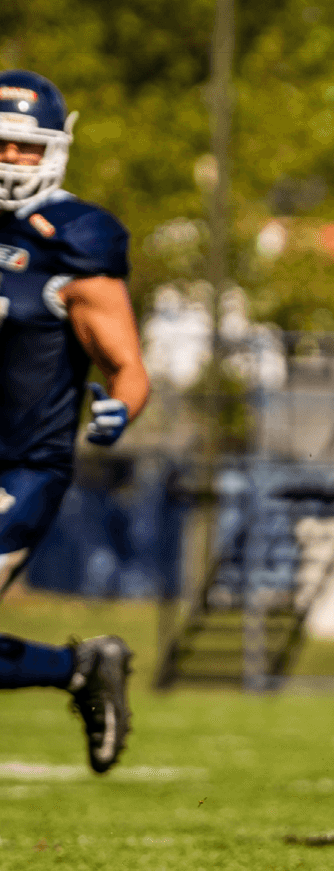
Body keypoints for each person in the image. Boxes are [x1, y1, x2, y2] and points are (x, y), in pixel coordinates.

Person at [0, 70, 146, 773]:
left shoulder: (72, 240)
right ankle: (79, 667)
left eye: (26, 148)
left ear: (54, 152)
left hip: (22, 464)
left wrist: (124, 406)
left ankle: (78, 668)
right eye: (0, 143)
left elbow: (128, 365)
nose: (10, 159)